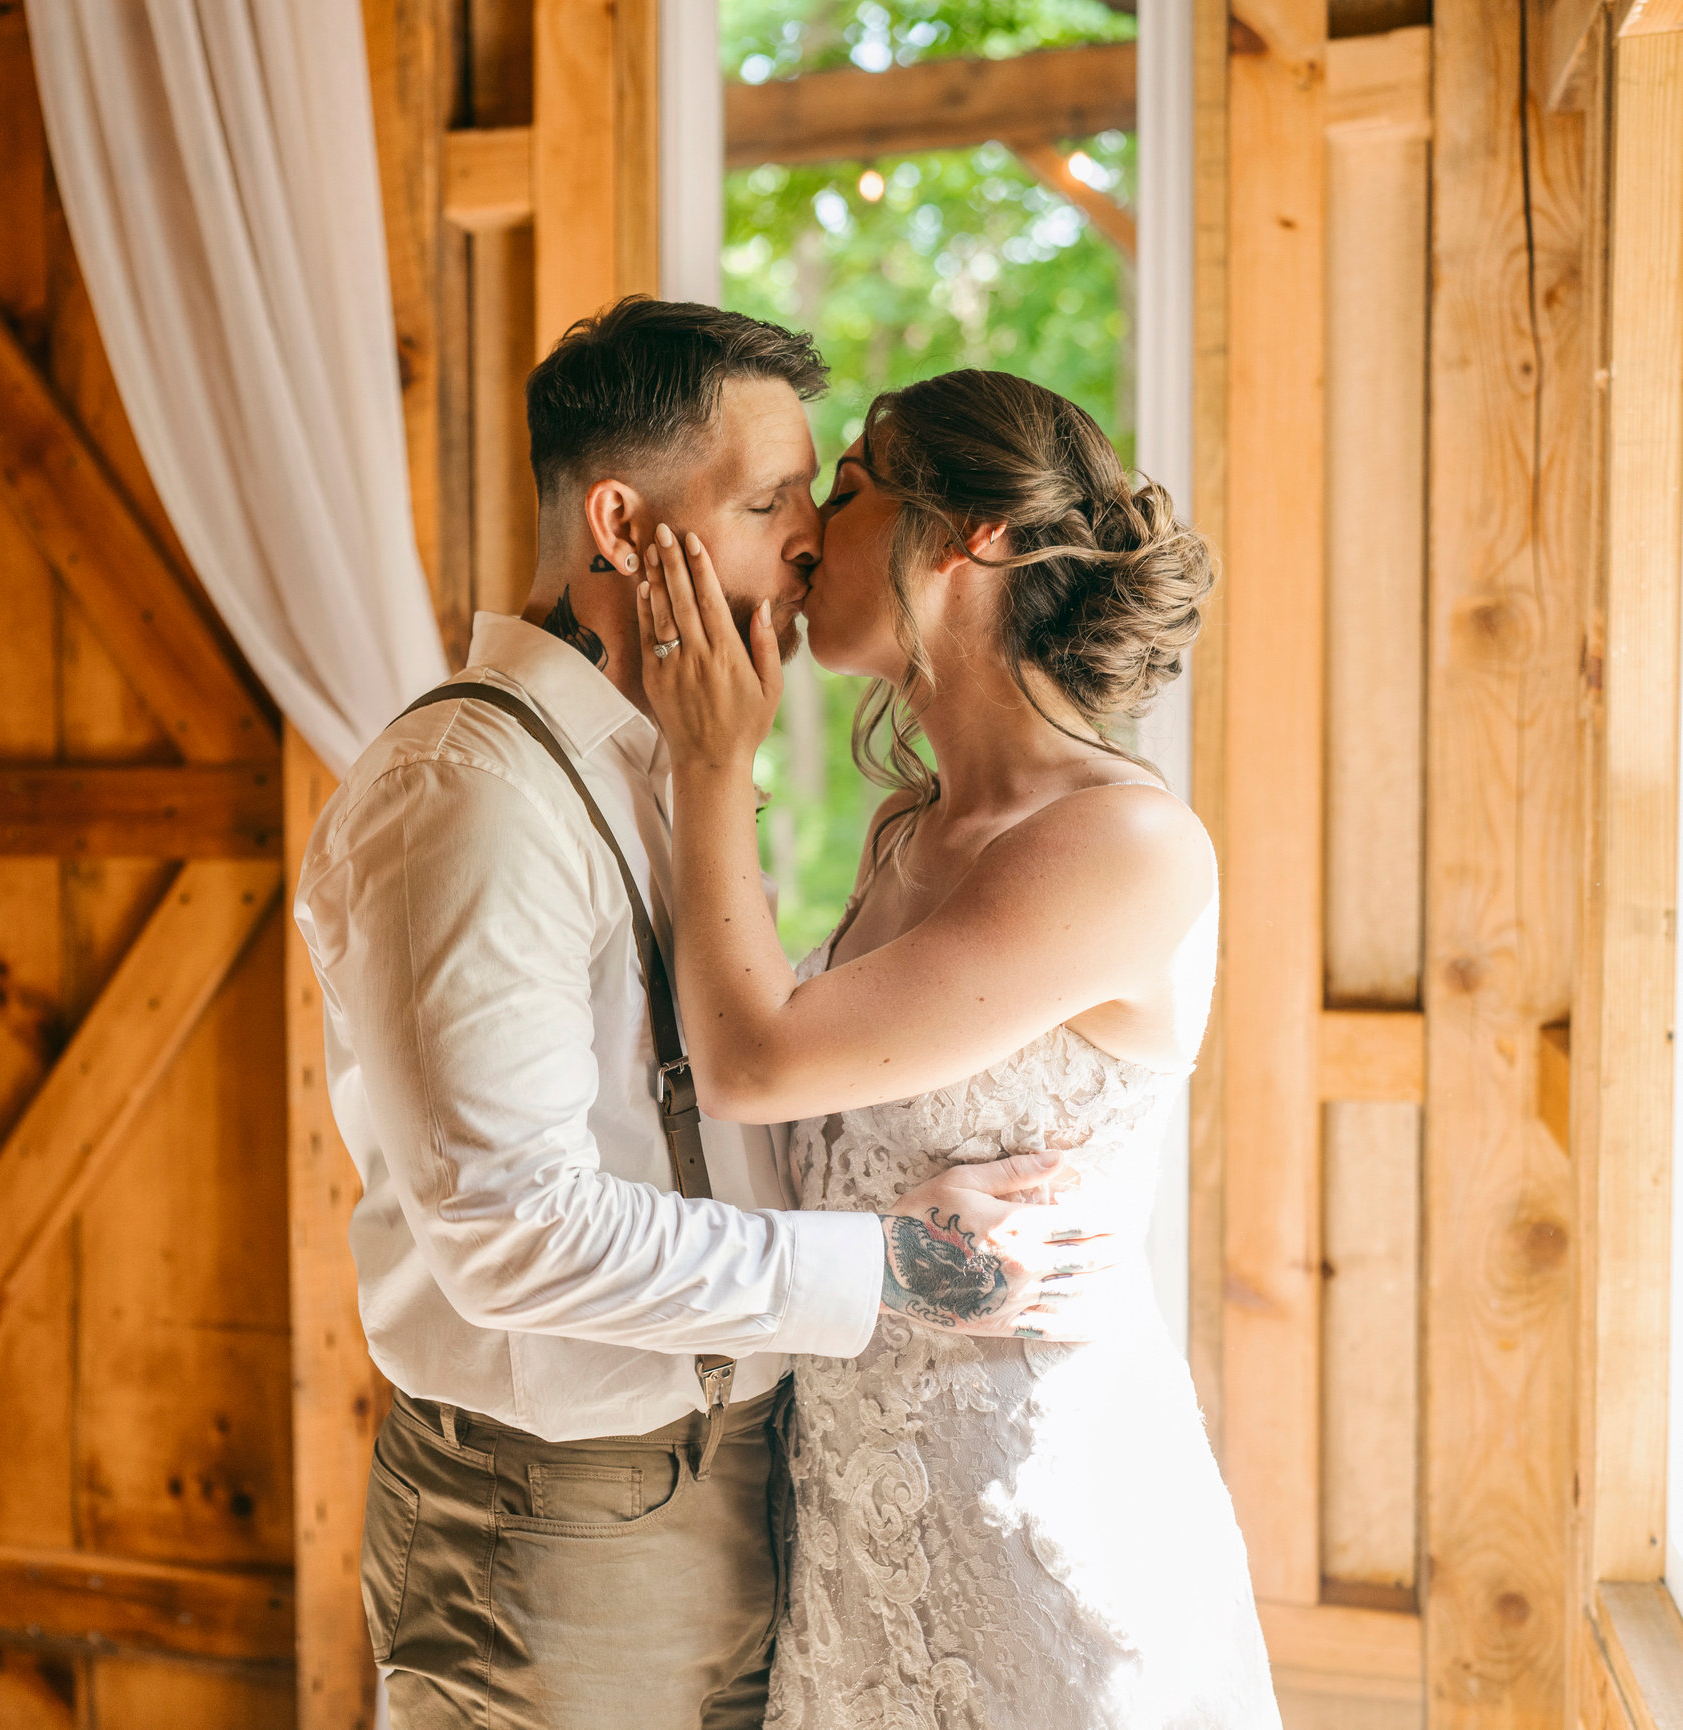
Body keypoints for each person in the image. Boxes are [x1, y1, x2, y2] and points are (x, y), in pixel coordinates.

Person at [293, 299, 1120, 1730]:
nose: (811, 537)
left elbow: (700, 1111)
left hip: (743, 1473)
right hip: (562, 1522)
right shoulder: (471, 794)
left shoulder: (662, 763)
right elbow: (515, 1230)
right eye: (766, 499)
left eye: (812, 495)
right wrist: (892, 1270)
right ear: (621, 525)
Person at [637, 368, 1279, 1729]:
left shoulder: (1124, 843)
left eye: (853, 485)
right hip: (858, 1535)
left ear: (974, 533)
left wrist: (710, 764)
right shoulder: (905, 832)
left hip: (1038, 1531)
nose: (807, 527)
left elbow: (755, 1059)